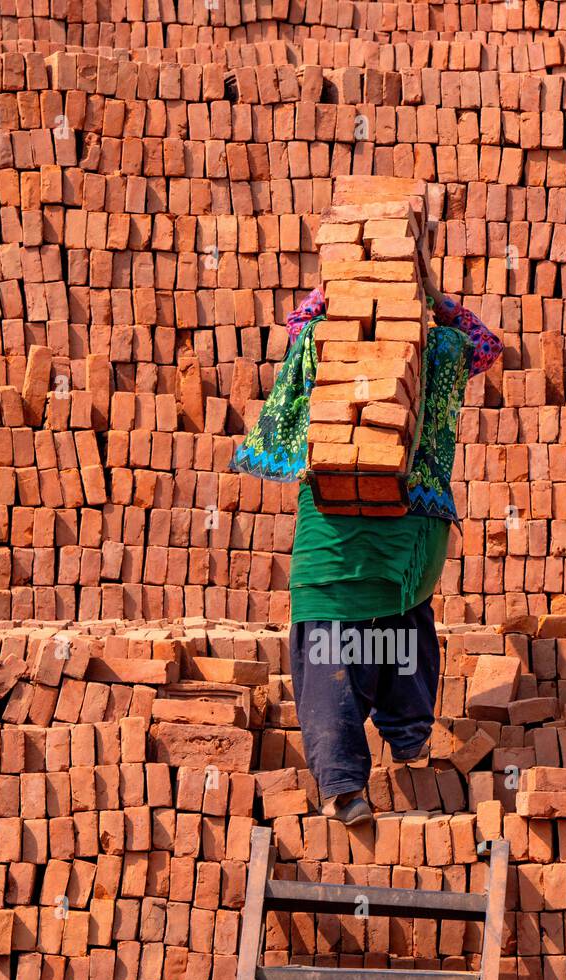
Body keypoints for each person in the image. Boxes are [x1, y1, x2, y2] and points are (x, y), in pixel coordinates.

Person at [233, 227, 501, 824]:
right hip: (414, 528)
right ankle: (408, 737)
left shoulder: (319, 344)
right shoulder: (443, 353)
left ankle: (345, 785)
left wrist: (341, 287)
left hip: (332, 526)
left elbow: (296, 320)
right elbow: (488, 346)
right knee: (403, 623)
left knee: (327, 642)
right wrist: (434, 299)